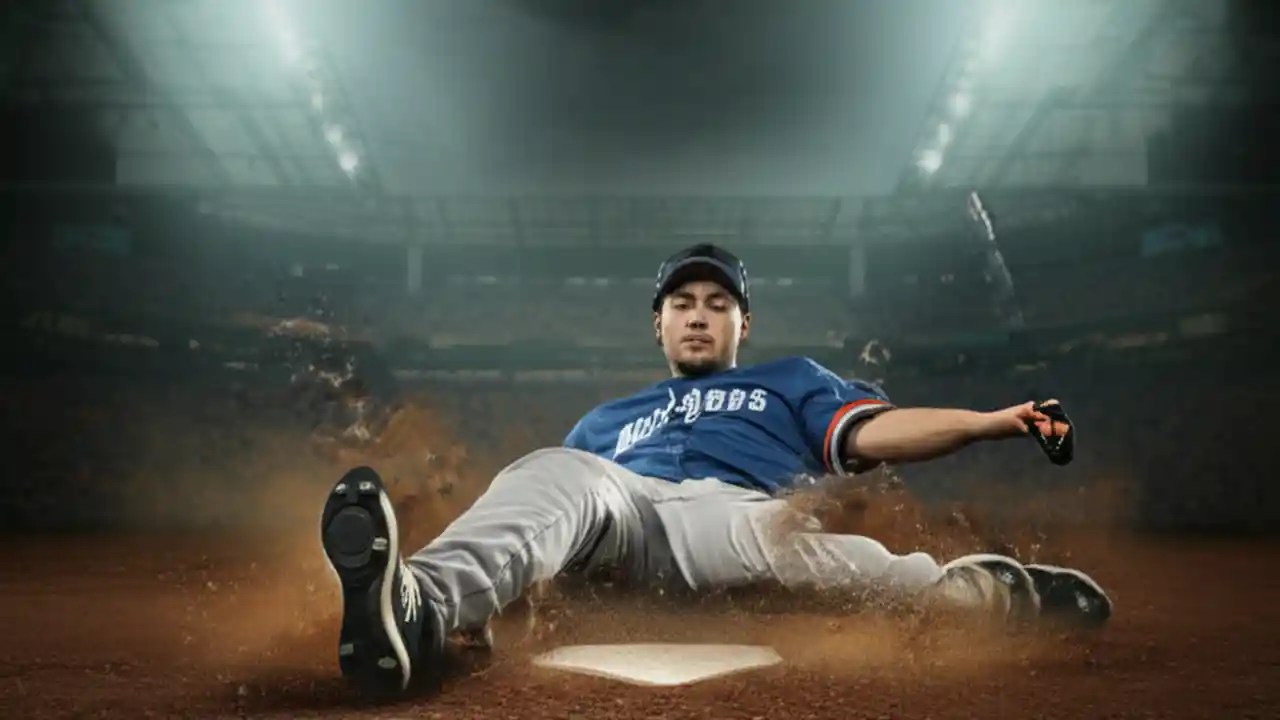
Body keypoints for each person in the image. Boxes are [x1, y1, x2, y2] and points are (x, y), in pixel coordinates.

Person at [319, 243, 1111, 696]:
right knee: (552, 470)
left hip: (738, 513)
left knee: (802, 543)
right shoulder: (605, 420)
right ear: (658, 324)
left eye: (717, 301)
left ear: (742, 321)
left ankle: (979, 593)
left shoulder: (790, 379)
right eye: (683, 300)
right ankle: (420, 607)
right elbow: (547, 528)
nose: (699, 311)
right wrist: (500, 608)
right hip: (624, 518)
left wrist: (991, 422)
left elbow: (877, 432)